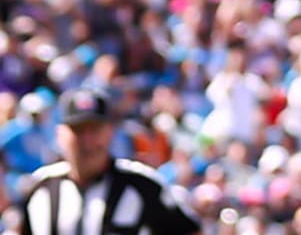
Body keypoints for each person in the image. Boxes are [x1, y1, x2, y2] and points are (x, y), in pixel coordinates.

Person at [19, 88, 202, 235]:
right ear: (60, 134)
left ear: (110, 132)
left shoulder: (143, 185)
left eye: (95, 130)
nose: (88, 140)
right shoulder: (40, 187)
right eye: (79, 130)